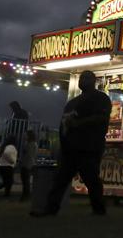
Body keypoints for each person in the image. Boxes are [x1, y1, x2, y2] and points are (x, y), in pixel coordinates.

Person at [32, 71, 111, 216]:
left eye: (86, 78)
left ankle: (98, 209)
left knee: (91, 179)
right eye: (81, 78)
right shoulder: (73, 102)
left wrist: (78, 123)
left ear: (94, 81)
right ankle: (51, 208)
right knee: (61, 179)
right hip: (71, 147)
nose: (82, 81)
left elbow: (102, 118)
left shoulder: (101, 98)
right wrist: (64, 143)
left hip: (89, 146)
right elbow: (64, 124)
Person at [19, 130, 38, 201]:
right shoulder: (32, 144)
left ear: (29, 136)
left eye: (25, 134)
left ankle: (25, 195)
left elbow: (28, 155)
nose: (24, 136)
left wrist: (23, 162)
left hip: (27, 164)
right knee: (25, 181)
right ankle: (26, 195)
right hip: (28, 164)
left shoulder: (30, 144)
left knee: (25, 181)